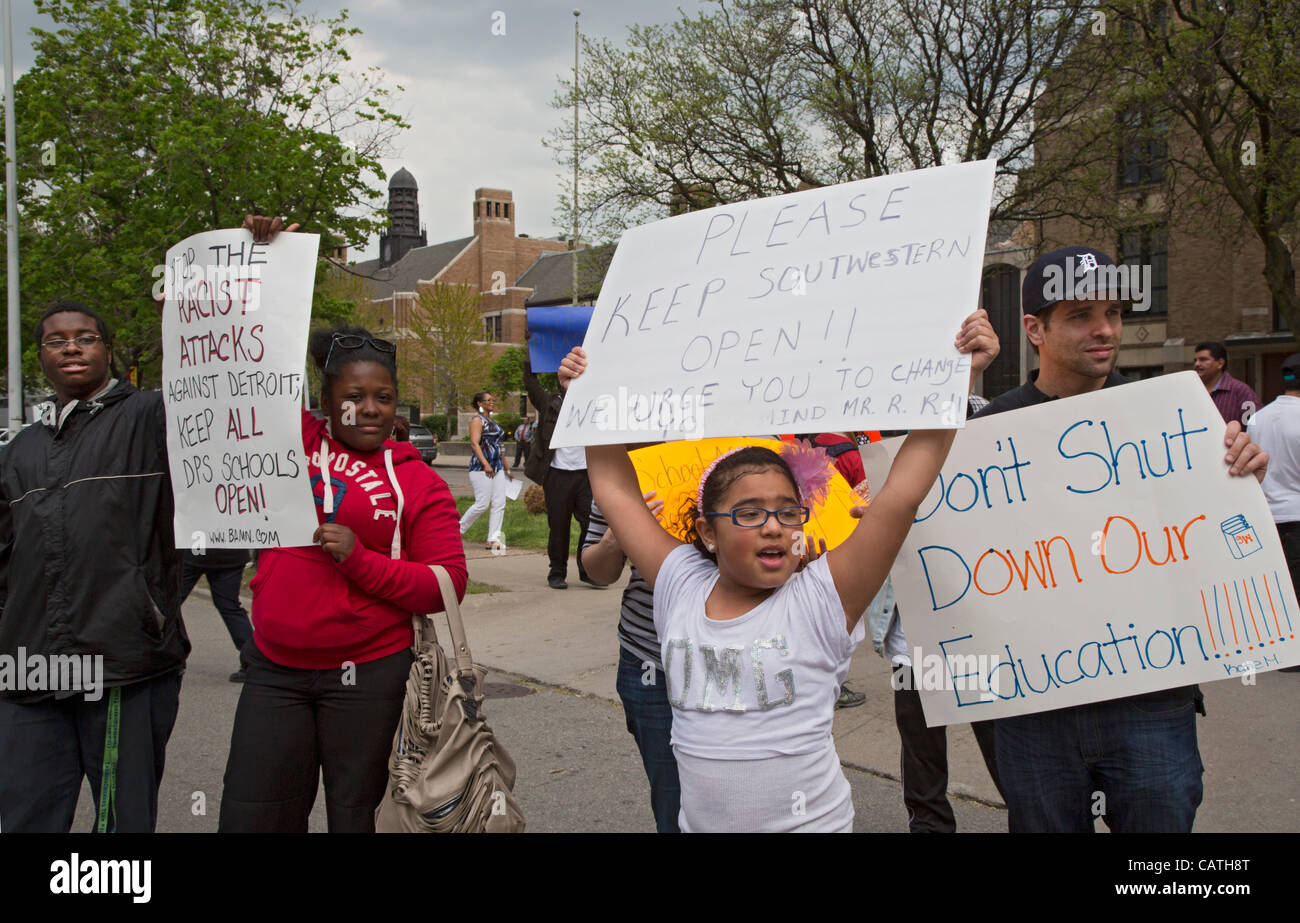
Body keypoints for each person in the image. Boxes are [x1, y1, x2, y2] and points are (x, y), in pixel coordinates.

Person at [574, 309, 998, 832]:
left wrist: (960, 378)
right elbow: (614, 489)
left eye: (787, 510)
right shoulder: (681, 583)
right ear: (707, 533)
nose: (773, 526)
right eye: (749, 513)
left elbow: (904, 492)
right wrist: (588, 394)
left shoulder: (823, 598)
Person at [980, 245, 1268, 833]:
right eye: (1081, 315)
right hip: (1035, 706)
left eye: (1113, 312)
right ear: (1035, 328)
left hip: (1152, 697)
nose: (1105, 329)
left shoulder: (1174, 418)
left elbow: (1211, 538)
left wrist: (1241, 478)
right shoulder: (986, 432)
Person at [219, 231, 467, 832]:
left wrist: (358, 560)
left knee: (356, 816)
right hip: (275, 667)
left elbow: (446, 585)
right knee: (256, 814)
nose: (371, 408)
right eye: (354, 396)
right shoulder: (291, 443)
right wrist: (258, 259)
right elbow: (238, 364)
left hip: (371, 672)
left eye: (384, 396)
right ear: (325, 401)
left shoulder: (419, 482)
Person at [0, 300, 190, 833]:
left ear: (107, 350)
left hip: (122, 662)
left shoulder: (152, 417)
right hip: (29, 669)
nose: (71, 347)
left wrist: (240, 288)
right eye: (56, 340)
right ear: (40, 357)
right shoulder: (21, 450)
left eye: (84, 337)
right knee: (23, 818)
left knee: (119, 826)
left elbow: (223, 390)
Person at [580, 492, 682, 832]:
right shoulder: (626, 476)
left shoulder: (764, 456)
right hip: (653, 663)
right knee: (674, 803)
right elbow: (597, 571)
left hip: (747, 659)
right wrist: (614, 541)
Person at [1246, 352, 1300, 672]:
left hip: (1267, 514)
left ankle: (1279, 647)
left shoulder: (1258, 418)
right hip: (1297, 512)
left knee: (1280, 585)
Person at [523, 357, 596, 589]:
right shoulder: (550, 403)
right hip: (558, 474)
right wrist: (531, 349)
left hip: (585, 474)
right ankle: (557, 572)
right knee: (558, 526)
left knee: (589, 524)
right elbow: (530, 382)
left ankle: (587, 571)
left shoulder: (593, 402)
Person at [180, 547, 253, 682]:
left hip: (194, 549)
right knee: (230, 608)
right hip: (230, 553)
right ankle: (253, 662)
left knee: (170, 605)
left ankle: (170, 658)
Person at [459, 391, 513, 550]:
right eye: (488, 400)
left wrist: (507, 468)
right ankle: (455, 532)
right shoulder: (477, 420)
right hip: (481, 468)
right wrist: (485, 464)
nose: (492, 402)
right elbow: (475, 444)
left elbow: (499, 446)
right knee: (482, 504)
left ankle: (493, 539)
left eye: (492, 399)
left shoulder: (493, 422)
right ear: (479, 403)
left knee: (499, 503)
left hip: (498, 467)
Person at [1194, 341, 1261, 427]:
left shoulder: (1240, 391)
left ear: (1220, 363)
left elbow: (1253, 425)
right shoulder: (1192, 390)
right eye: (1195, 360)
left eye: (1203, 359)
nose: (1197, 364)